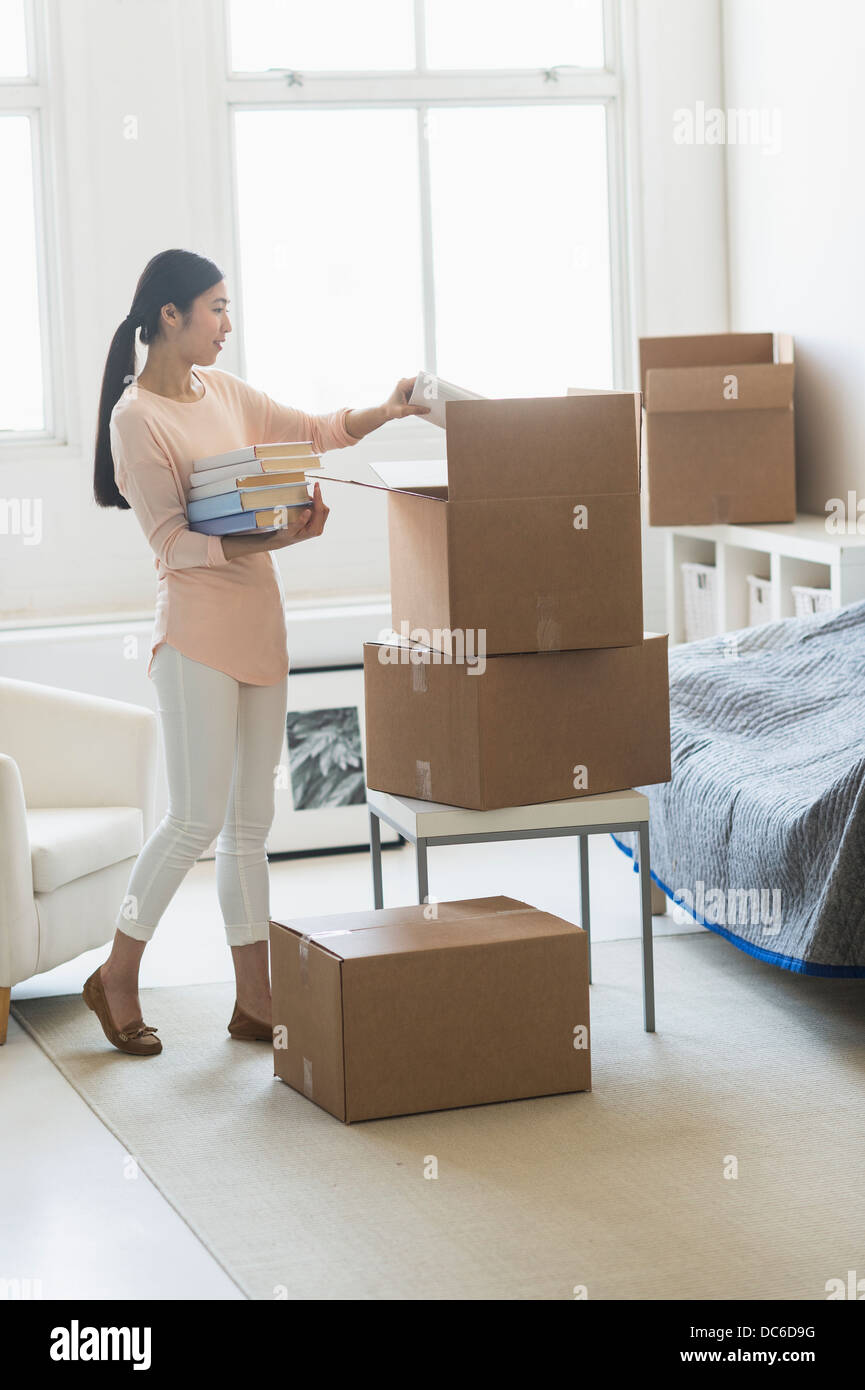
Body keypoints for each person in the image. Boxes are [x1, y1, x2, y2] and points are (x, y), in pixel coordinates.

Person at [87, 247, 429, 1056]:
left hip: (257, 628)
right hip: (197, 638)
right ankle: (116, 974)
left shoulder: (221, 392)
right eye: (215, 308)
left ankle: (253, 999)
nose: (227, 326)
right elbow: (171, 546)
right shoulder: (137, 417)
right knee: (194, 817)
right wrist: (270, 538)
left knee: (249, 825)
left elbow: (308, 431)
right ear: (169, 316)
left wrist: (386, 411)